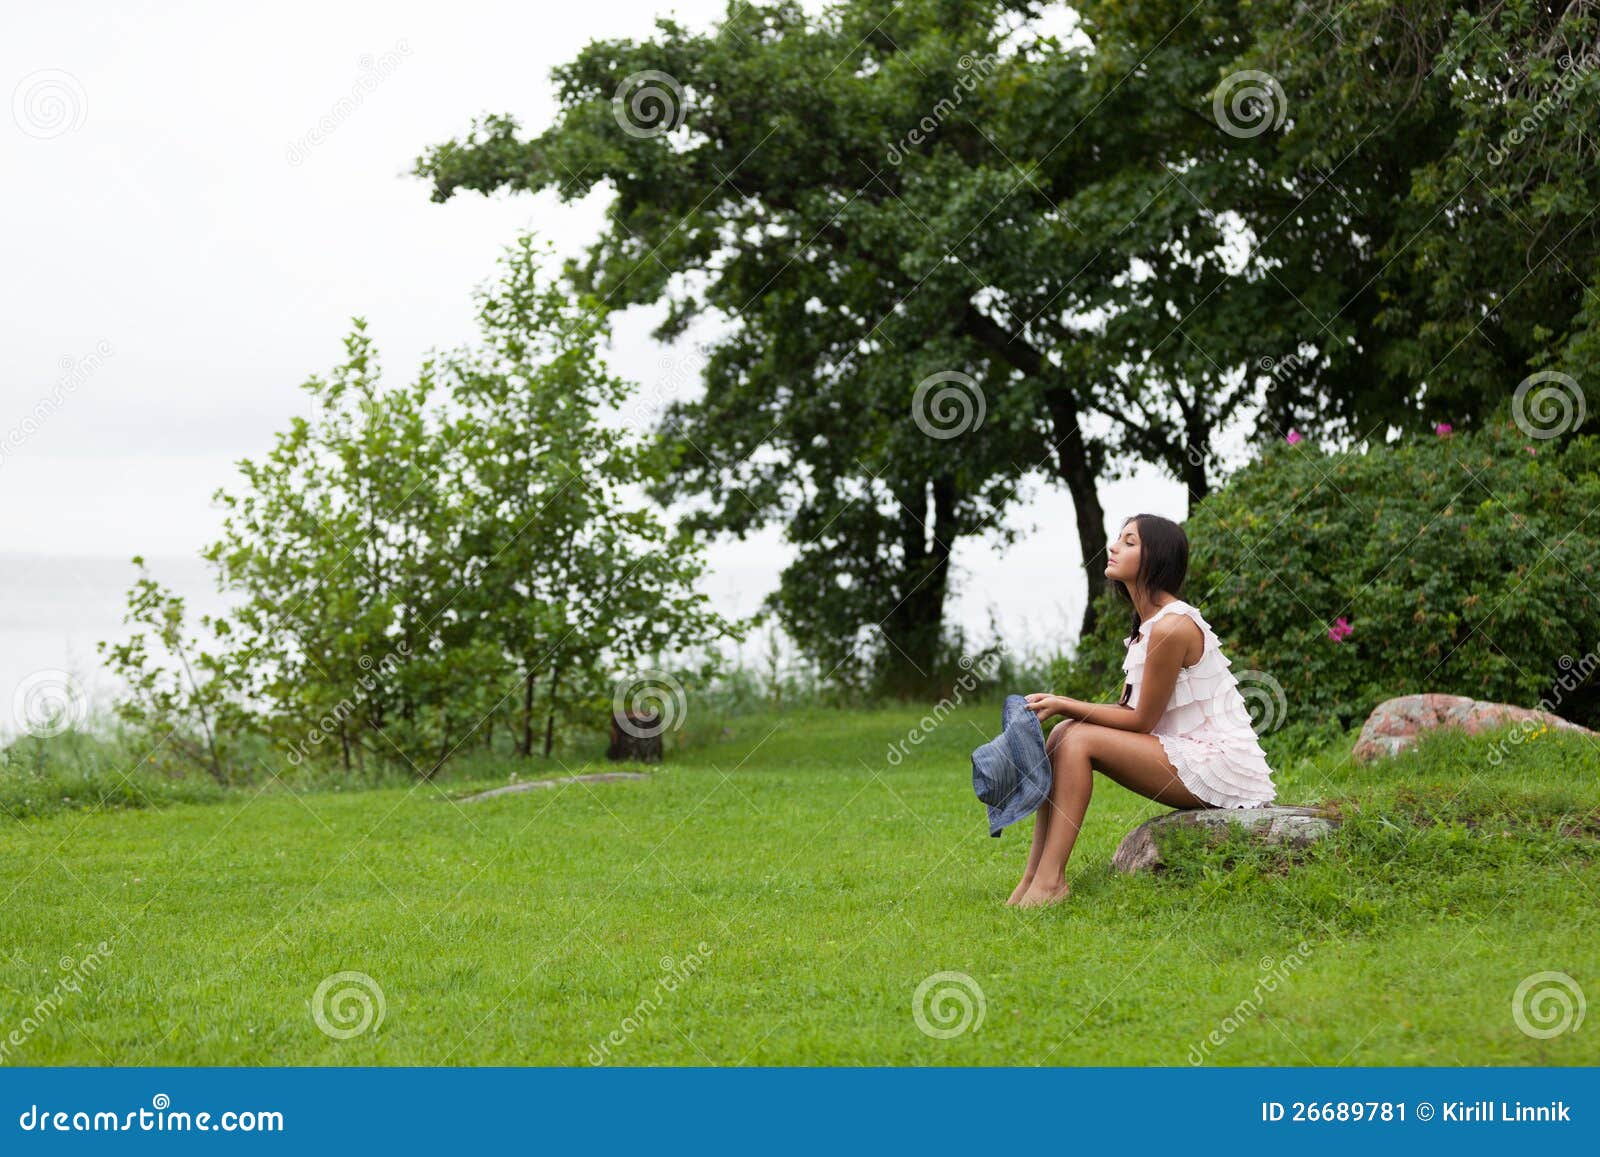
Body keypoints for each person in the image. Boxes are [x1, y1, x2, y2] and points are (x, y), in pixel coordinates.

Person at [1010, 513, 1277, 908]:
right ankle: (1033, 877)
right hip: (1185, 752)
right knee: (1063, 733)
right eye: (1119, 539)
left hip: (1221, 767)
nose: (1114, 547)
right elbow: (1127, 711)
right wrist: (1064, 712)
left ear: (1157, 558)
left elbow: (1140, 722)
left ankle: (1051, 884)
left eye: (1130, 542)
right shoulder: (1147, 626)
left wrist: (1065, 701)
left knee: (1076, 736)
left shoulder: (1172, 627)